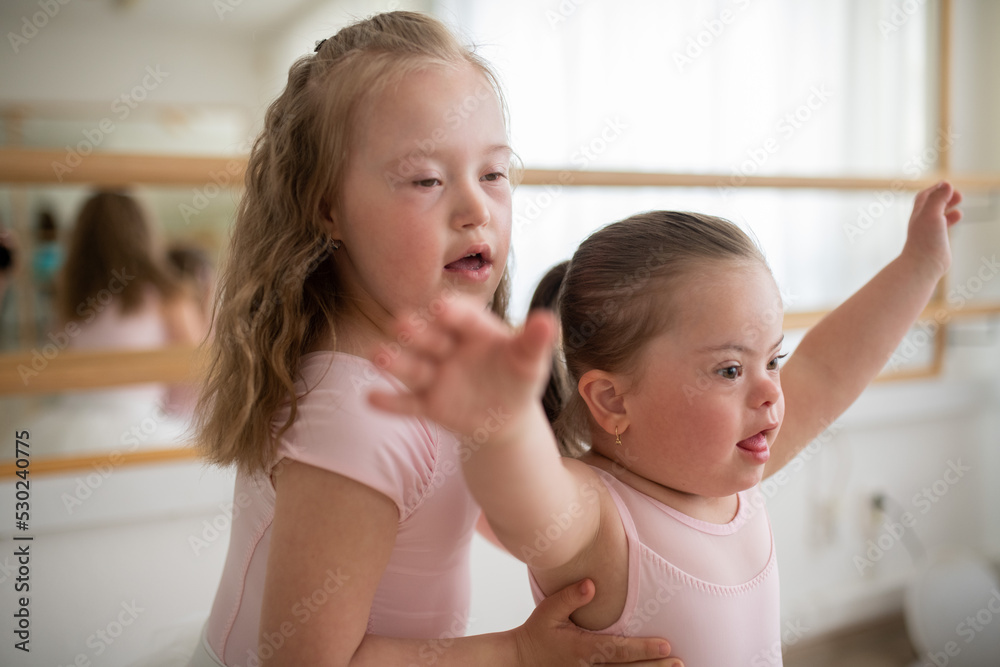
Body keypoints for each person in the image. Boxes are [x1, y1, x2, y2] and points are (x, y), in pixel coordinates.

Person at [190, 11, 679, 667]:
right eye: (426, 179)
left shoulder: (430, 366)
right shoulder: (357, 418)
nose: (476, 208)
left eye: (494, 173)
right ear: (326, 206)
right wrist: (519, 651)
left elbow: (451, 497)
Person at [371, 183, 963, 664]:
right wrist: (498, 424)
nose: (769, 391)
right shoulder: (599, 520)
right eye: (730, 369)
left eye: (773, 360)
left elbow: (830, 370)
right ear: (612, 401)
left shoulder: (728, 476)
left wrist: (919, 266)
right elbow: (525, 501)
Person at [24, 190, 202, 455]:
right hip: (143, 426)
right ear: (144, 234)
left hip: (70, 425)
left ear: (81, 240)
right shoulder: (168, 296)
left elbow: (57, 362)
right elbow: (194, 375)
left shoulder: (70, 301)